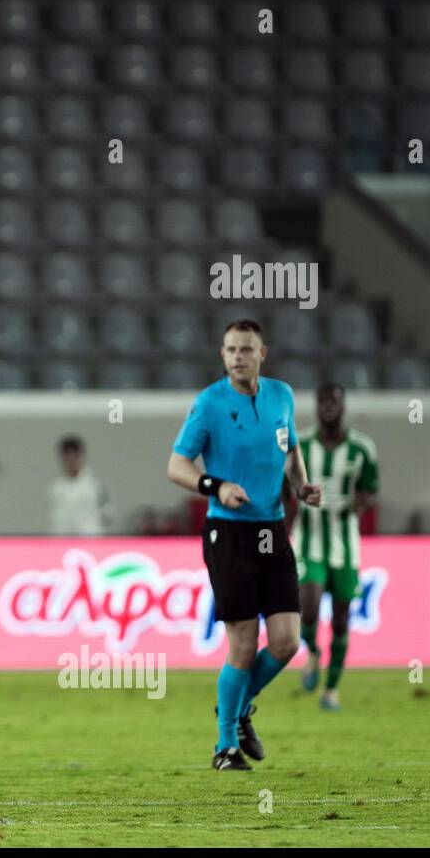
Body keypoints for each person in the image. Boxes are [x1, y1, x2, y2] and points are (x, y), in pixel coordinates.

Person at [167, 319, 321, 771]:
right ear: (222, 354)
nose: (238, 356)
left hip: (272, 530)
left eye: (246, 349)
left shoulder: (282, 396)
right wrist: (216, 485)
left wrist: (303, 485)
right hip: (228, 533)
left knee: (288, 641)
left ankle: (234, 710)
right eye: (231, 349)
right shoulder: (209, 404)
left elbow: (291, 450)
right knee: (242, 641)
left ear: (262, 353)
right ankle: (225, 746)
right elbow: (176, 464)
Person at [288, 383, 379, 711]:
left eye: (334, 401)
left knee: (341, 621)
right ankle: (312, 652)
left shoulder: (362, 449)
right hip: (308, 539)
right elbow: (288, 487)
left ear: (343, 405)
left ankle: (331, 690)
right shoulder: (301, 445)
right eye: (323, 400)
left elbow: (370, 491)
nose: (328, 406)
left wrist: (360, 503)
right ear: (316, 406)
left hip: (345, 545)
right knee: (308, 608)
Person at [48, 435, 113, 535]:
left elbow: (108, 511)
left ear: (80, 456)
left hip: (89, 538)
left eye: (74, 455)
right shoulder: (56, 486)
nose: (71, 461)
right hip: (62, 539)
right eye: (67, 457)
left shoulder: (94, 483)